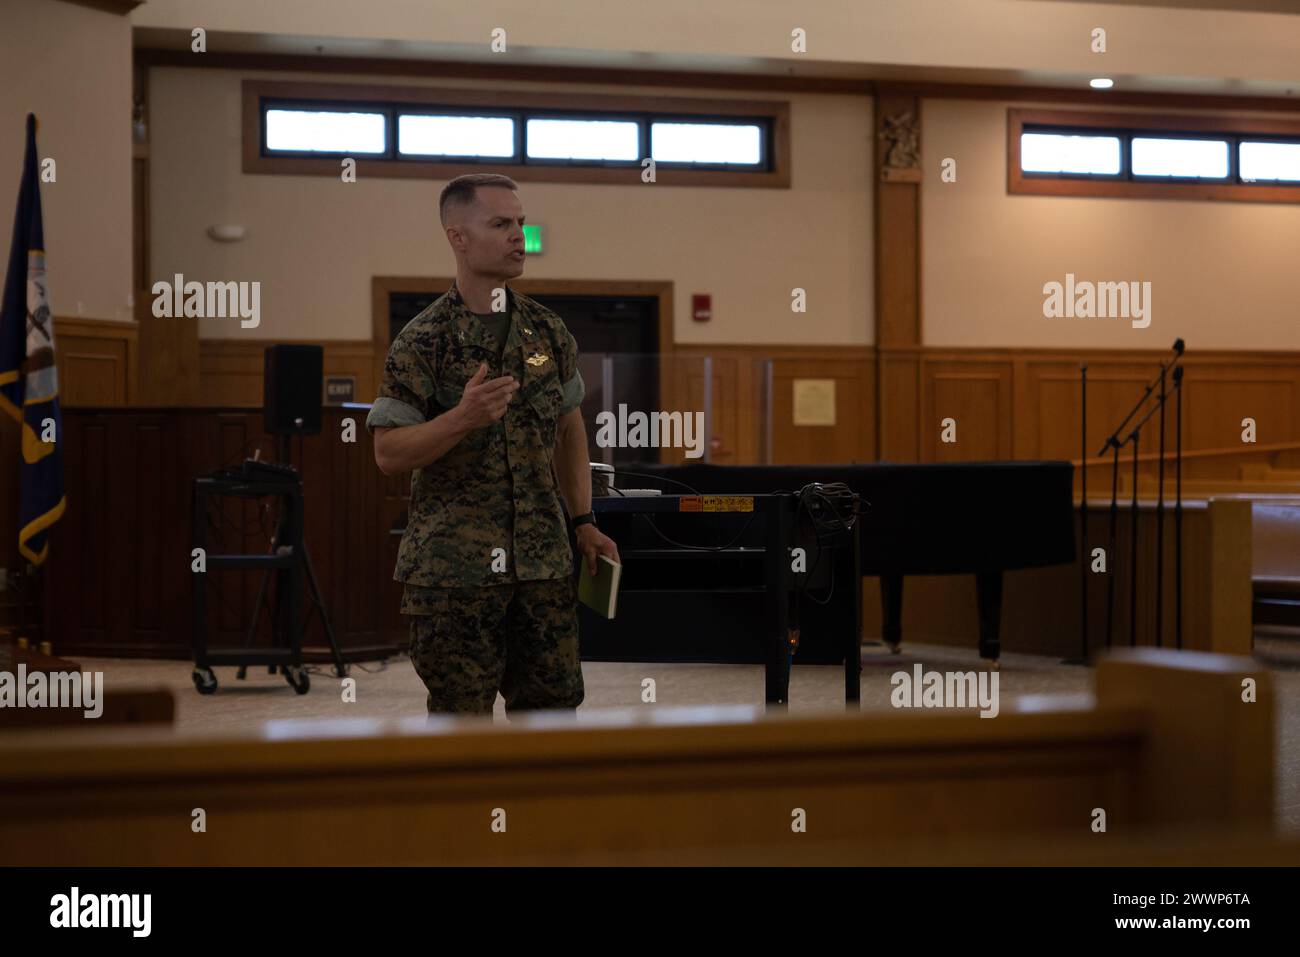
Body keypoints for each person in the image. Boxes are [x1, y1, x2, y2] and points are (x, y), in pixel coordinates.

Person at [367, 172, 619, 716]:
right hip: (456, 573)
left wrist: (583, 520)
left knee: (553, 712)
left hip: (543, 566)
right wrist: (461, 418)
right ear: (457, 237)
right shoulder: (423, 340)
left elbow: (570, 427)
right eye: (501, 224)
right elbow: (388, 453)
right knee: (462, 725)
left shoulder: (547, 331)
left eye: (521, 223)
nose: (518, 236)